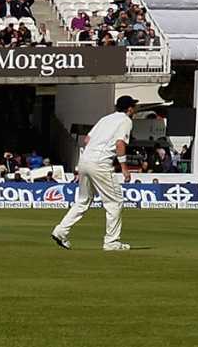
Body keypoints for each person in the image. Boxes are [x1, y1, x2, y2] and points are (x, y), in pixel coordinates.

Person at [52, 100, 141, 252]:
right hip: (100, 163)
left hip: (85, 160)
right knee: (115, 202)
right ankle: (111, 242)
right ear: (129, 108)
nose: (135, 109)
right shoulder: (125, 120)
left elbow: (87, 140)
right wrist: (124, 168)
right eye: (134, 106)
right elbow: (120, 143)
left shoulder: (105, 119)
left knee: (83, 200)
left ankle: (61, 231)